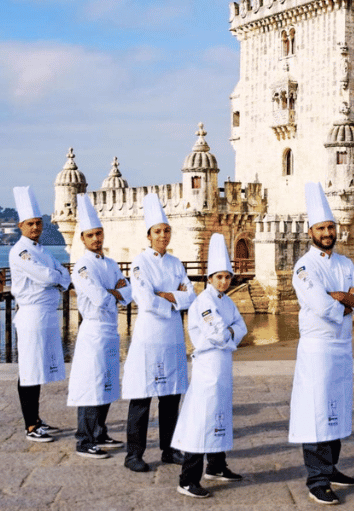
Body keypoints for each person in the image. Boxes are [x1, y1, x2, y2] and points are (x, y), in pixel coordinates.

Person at [288, 182, 354, 506]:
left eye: (330, 227)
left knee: (337, 408)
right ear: (310, 231)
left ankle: (332, 467)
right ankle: (317, 479)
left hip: (342, 348)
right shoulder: (304, 266)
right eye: (321, 228)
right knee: (317, 412)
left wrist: (343, 297)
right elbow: (318, 304)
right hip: (318, 349)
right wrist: (345, 302)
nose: (327, 232)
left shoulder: (345, 264)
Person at [121, 193, 196, 472]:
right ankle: (134, 454)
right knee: (142, 396)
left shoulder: (176, 264)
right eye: (158, 231)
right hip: (150, 337)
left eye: (167, 231)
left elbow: (193, 295)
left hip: (174, 337)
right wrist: (174, 299)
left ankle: (169, 448)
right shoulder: (140, 263)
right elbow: (145, 299)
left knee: (171, 396)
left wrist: (168, 295)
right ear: (148, 235)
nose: (163, 235)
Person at [172, 233, 249, 499]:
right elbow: (218, 334)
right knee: (201, 420)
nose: (225, 281)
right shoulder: (203, 302)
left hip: (223, 365)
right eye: (219, 277)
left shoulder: (226, 302)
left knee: (220, 416)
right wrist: (230, 333)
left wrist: (228, 333)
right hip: (207, 367)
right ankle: (187, 478)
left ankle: (216, 466)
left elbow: (242, 327)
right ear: (209, 278)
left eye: (227, 277)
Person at [67, 194, 133, 458]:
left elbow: (129, 292)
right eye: (90, 235)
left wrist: (116, 293)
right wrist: (115, 293)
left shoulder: (111, 263)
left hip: (110, 330)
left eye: (99, 234)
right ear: (82, 239)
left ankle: (100, 432)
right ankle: (84, 439)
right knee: (90, 384)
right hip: (93, 330)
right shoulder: (82, 266)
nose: (96, 239)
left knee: (107, 382)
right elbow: (99, 297)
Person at [9, 185, 71, 443]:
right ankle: (31, 426)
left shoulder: (41, 251)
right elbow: (46, 275)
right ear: (20, 225)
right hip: (32, 316)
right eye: (30, 224)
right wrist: (56, 277)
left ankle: (36, 417)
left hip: (46, 315)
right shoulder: (20, 251)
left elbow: (64, 274)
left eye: (38, 223)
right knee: (30, 369)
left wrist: (57, 277)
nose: (35, 227)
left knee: (38, 369)